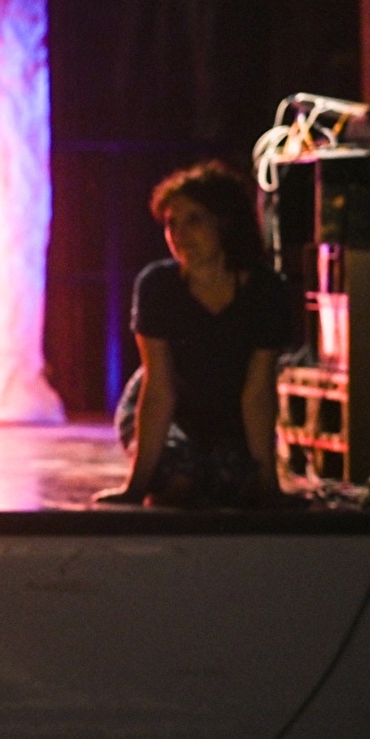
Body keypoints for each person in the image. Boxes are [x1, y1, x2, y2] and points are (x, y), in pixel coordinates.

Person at [95, 161, 292, 507]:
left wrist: (268, 485)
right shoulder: (158, 285)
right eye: (171, 224)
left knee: (234, 489)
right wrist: (136, 487)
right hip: (171, 409)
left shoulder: (265, 290)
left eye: (194, 220)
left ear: (225, 222)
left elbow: (258, 391)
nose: (179, 234)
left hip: (229, 413)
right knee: (179, 487)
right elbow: (159, 387)